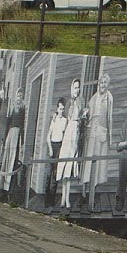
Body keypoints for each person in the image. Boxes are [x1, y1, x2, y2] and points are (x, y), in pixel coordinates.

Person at [81, 71, 114, 208]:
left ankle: (93, 193)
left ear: (107, 85)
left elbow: (110, 117)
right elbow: (87, 114)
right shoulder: (93, 98)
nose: (102, 85)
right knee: (88, 162)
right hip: (91, 133)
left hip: (102, 133)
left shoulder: (109, 97)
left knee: (98, 164)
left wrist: (109, 137)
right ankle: (84, 192)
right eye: (101, 82)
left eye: (105, 83)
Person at [56, 78, 85, 209]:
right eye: (75, 87)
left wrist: (83, 117)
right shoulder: (68, 103)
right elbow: (65, 119)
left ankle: (67, 199)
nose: (77, 90)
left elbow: (83, 116)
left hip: (76, 132)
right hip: (68, 133)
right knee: (64, 164)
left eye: (78, 87)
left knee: (69, 167)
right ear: (71, 88)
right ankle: (62, 198)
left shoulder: (81, 101)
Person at [45, 98, 68, 204]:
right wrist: (50, 149)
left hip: (60, 147)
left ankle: (51, 201)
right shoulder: (53, 120)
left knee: (55, 174)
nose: (61, 111)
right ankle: (46, 199)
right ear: (57, 108)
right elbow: (47, 136)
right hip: (52, 146)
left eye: (63, 109)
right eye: (60, 109)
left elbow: (65, 136)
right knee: (49, 174)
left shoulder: (65, 121)